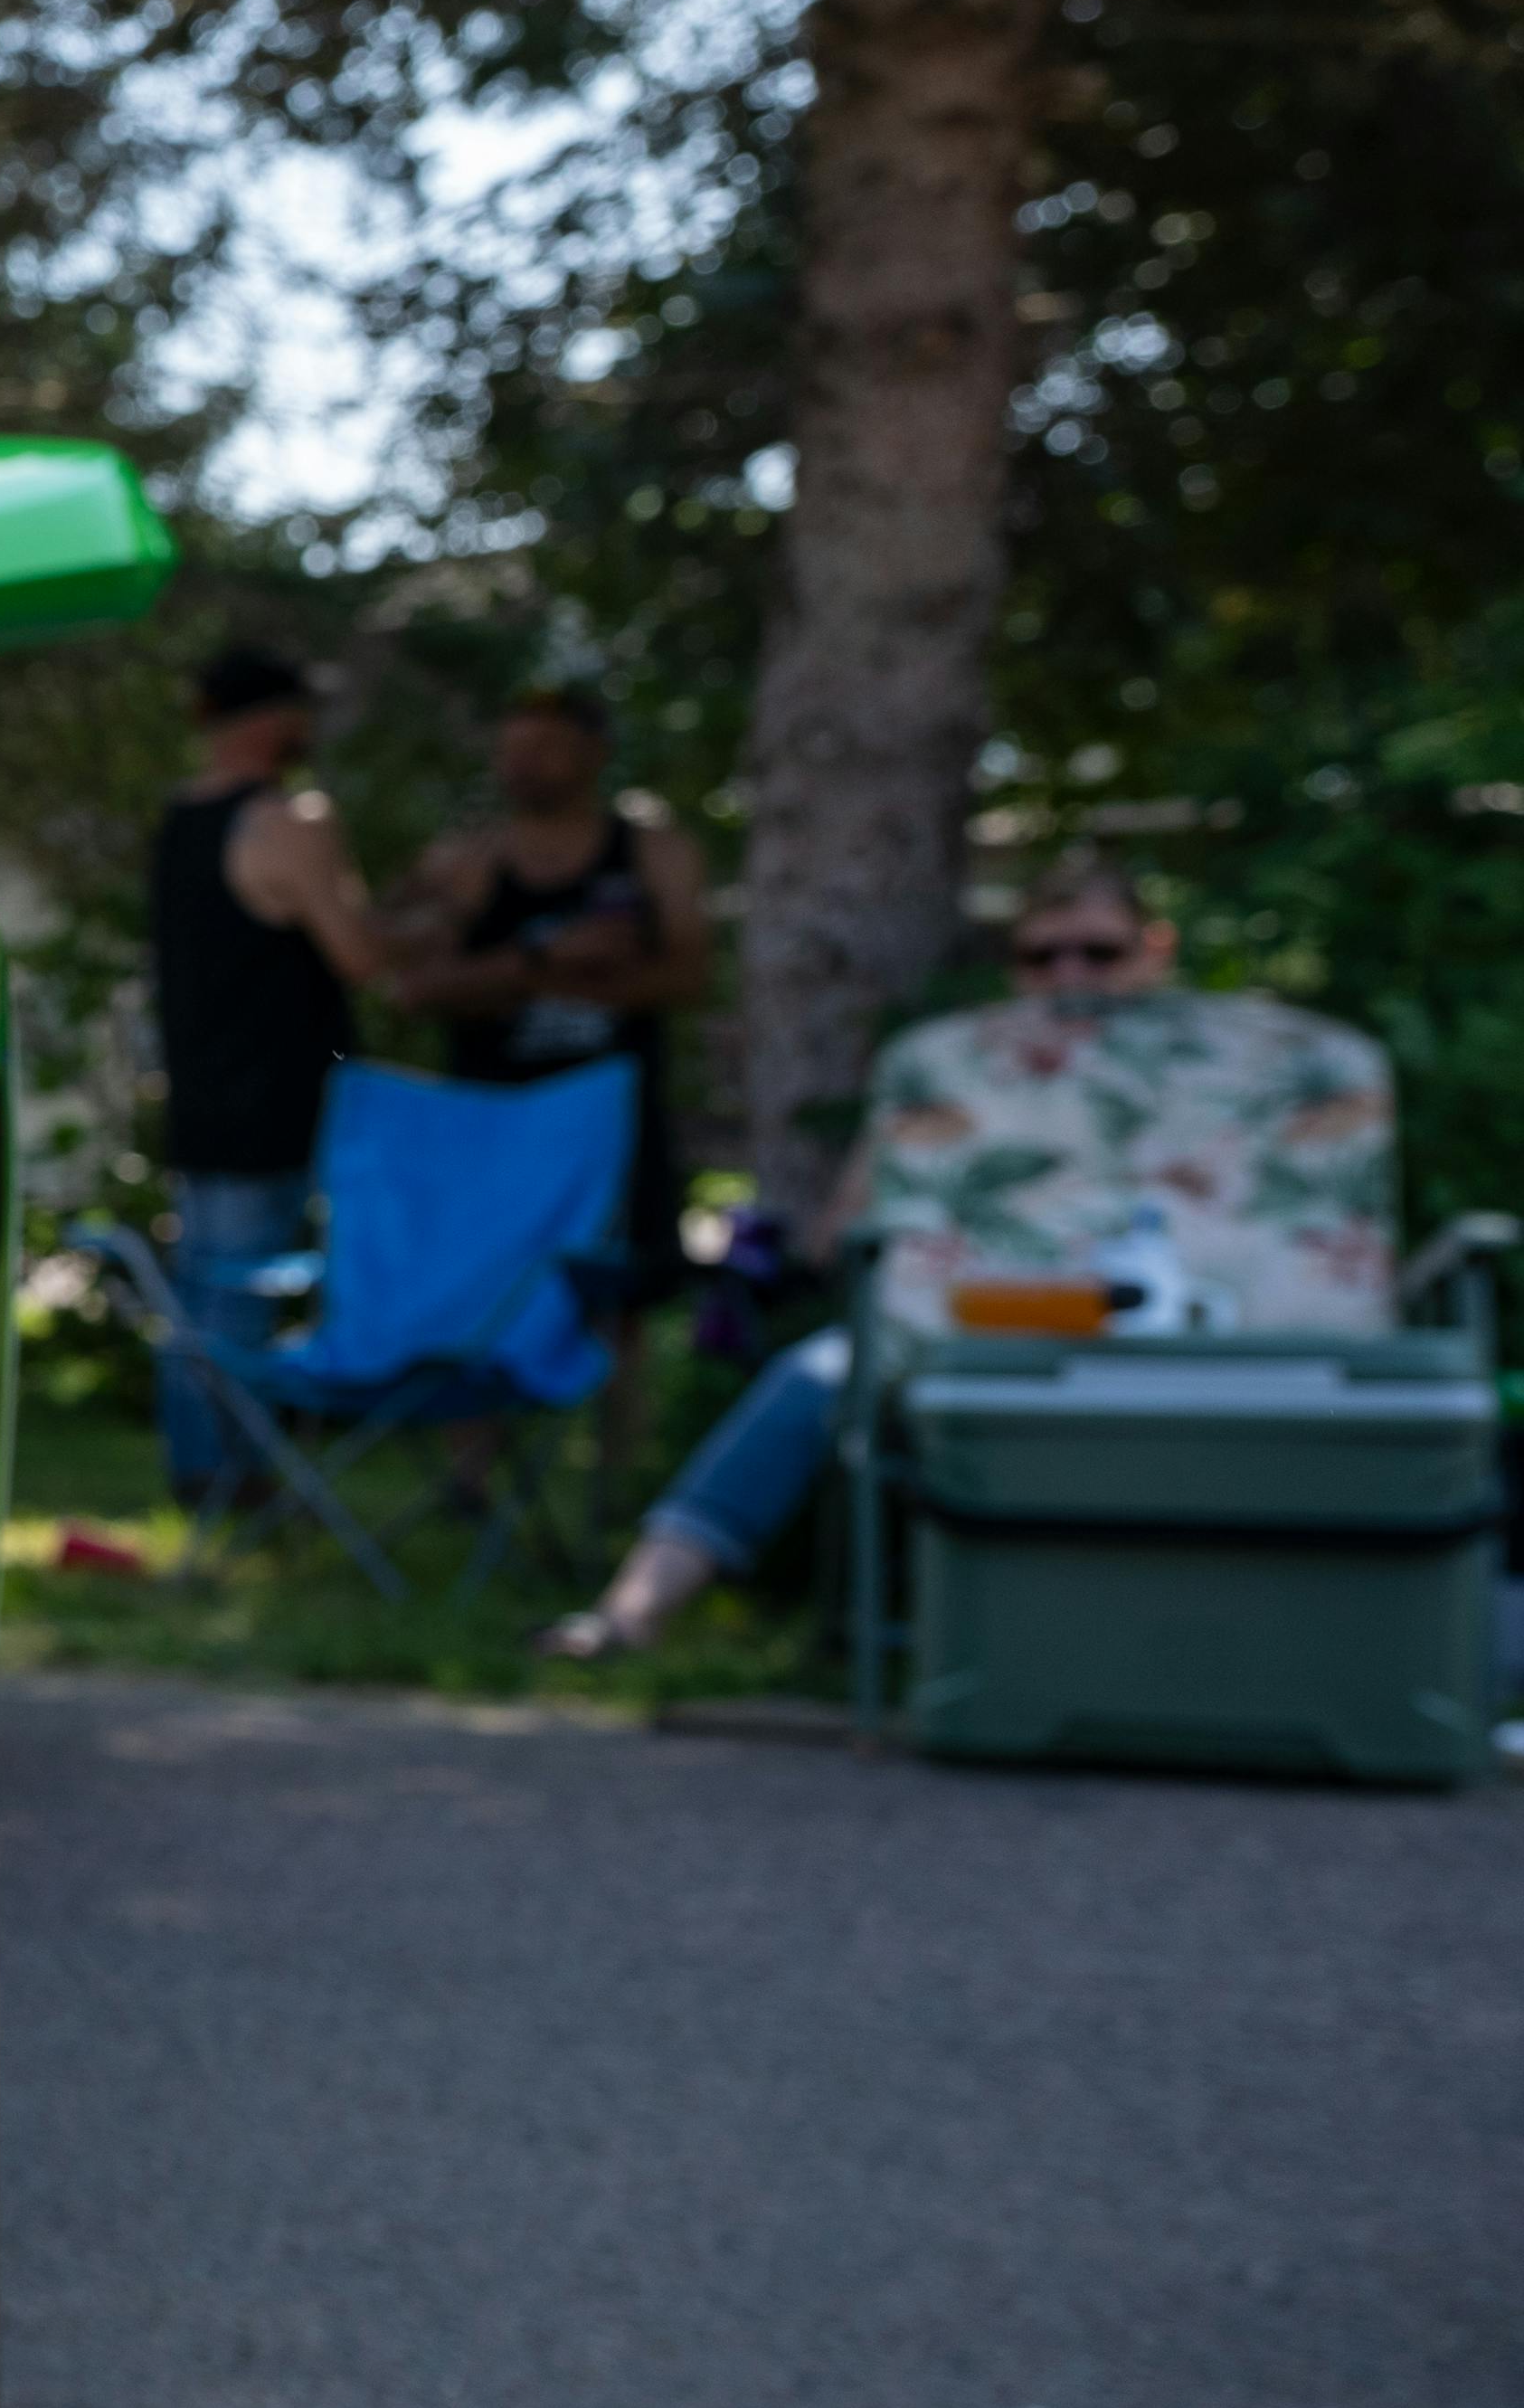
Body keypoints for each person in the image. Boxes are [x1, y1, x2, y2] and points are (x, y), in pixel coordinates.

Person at [541, 858, 1404, 1654]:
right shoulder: (955, 1072)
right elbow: (839, 1237)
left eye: (1098, 953)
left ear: (1155, 949)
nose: (1070, 976)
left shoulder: (1259, 1068)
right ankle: (634, 1611)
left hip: (1215, 1339)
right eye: (1042, 956)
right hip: (994, 1331)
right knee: (817, 1372)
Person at [142, 642, 412, 1503]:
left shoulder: (181, 821)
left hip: (203, 1096)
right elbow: (359, 955)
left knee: (201, 1291)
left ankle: (204, 1470)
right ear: (269, 719)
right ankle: (228, 1476)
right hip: (274, 1104)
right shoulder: (287, 822)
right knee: (239, 1298)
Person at [380, 678, 710, 1334]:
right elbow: (411, 987)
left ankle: (616, 1410)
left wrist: (568, 978)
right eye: (511, 749)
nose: (522, 765)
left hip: (615, 1127)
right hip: (498, 1125)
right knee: (487, 1304)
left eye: (544, 748)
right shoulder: (465, 863)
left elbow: (690, 977)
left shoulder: (654, 853)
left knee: (621, 1308)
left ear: (594, 753)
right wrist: (542, 960)